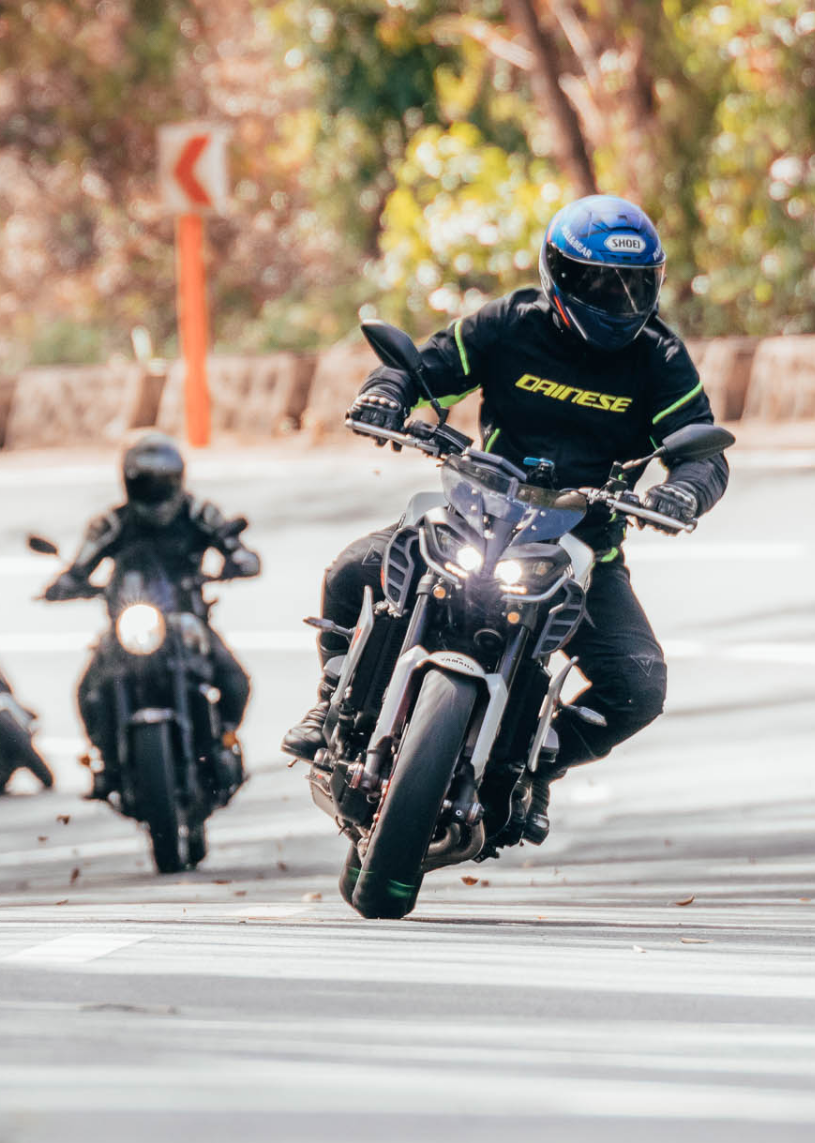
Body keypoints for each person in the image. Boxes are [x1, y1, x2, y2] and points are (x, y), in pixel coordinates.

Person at [280, 194, 731, 838]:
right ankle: (333, 704)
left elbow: (702, 450)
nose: (618, 299)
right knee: (354, 569)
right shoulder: (509, 323)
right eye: (600, 280)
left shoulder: (659, 358)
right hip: (475, 511)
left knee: (638, 685)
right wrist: (386, 391)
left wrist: (683, 492)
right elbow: (426, 368)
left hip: (582, 547)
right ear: (558, 272)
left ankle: (538, 762)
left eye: (635, 285)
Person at [44, 433, 261, 798]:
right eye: (146, 482)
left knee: (234, 678)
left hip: (187, 619)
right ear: (129, 483)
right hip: (129, 623)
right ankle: (104, 759)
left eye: (162, 481)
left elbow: (237, 548)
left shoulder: (198, 514)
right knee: (88, 691)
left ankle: (223, 739)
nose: (155, 491)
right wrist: (65, 583)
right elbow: (80, 565)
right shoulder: (112, 525)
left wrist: (238, 561)